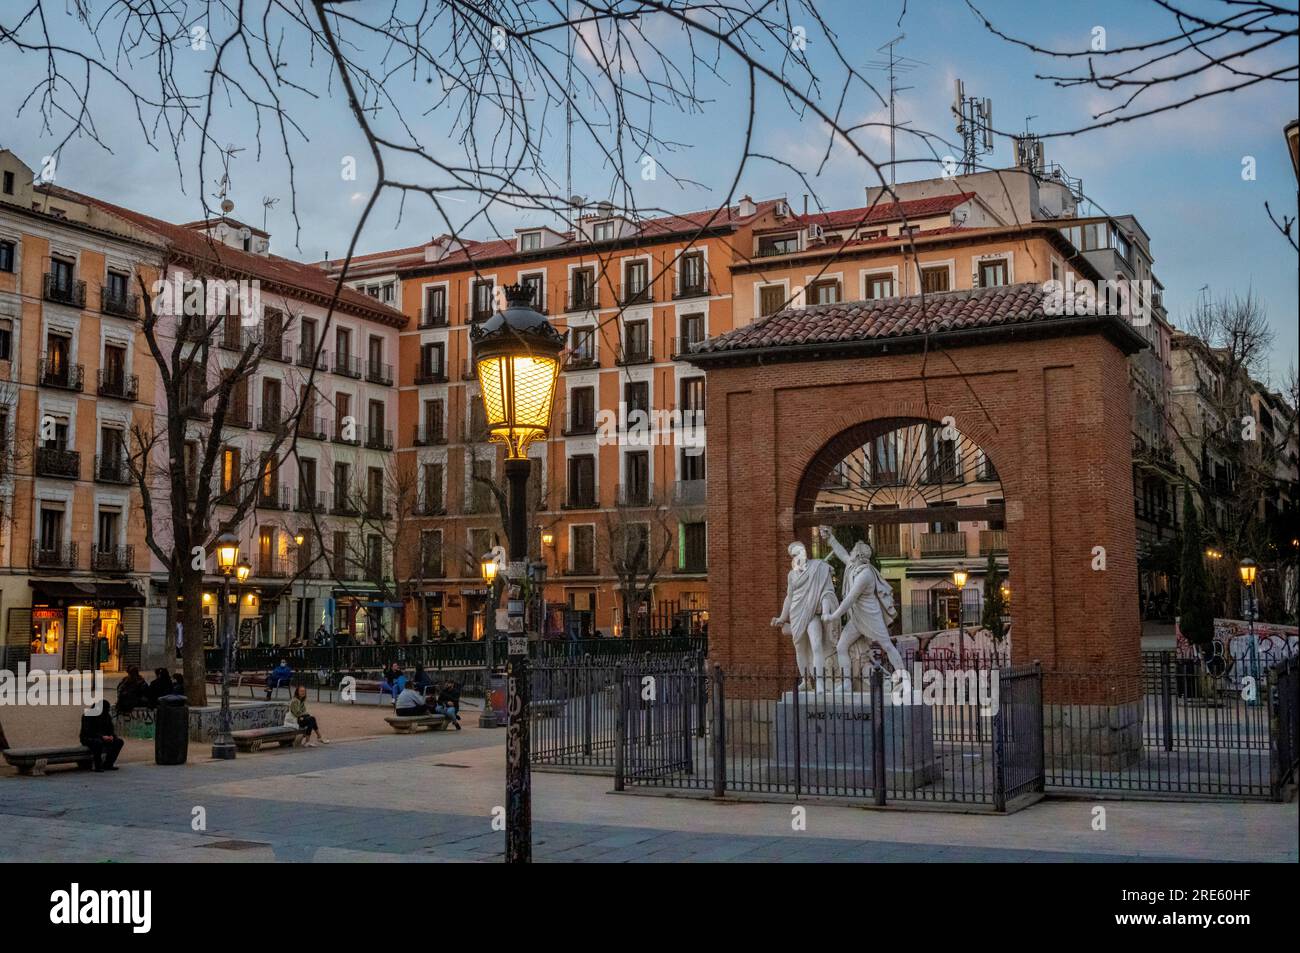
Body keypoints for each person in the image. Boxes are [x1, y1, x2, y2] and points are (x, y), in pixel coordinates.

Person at [80, 699, 124, 772]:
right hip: (88, 738)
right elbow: (88, 731)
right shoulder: (87, 715)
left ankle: (108, 764)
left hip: (103, 738)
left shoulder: (106, 716)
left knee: (119, 742)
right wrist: (102, 737)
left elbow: (110, 729)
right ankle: (97, 766)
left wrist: (112, 736)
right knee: (98, 743)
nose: (107, 711)